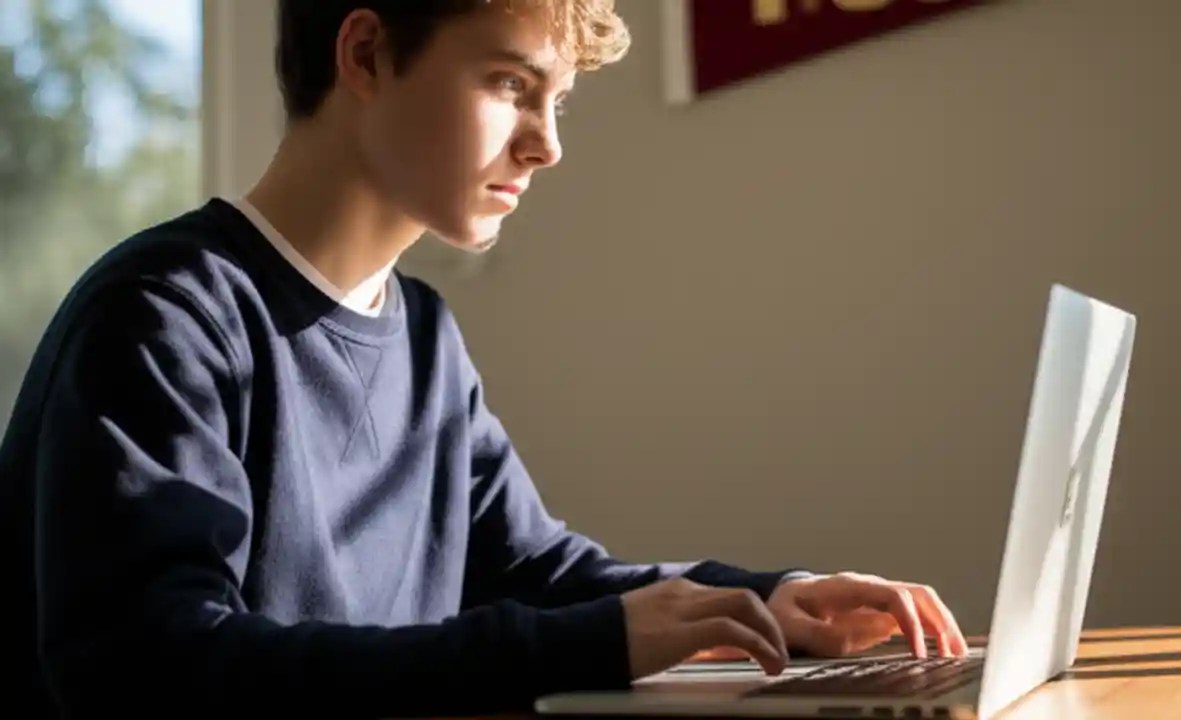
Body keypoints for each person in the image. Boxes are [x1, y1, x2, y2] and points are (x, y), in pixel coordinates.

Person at [0, 1, 968, 717]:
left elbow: (534, 571)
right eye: (511, 85)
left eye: (560, 101)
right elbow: (149, 669)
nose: (545, 144)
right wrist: (581, 646)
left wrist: (769, 598)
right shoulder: (166, 314)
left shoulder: (423, 335)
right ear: (367, 53)